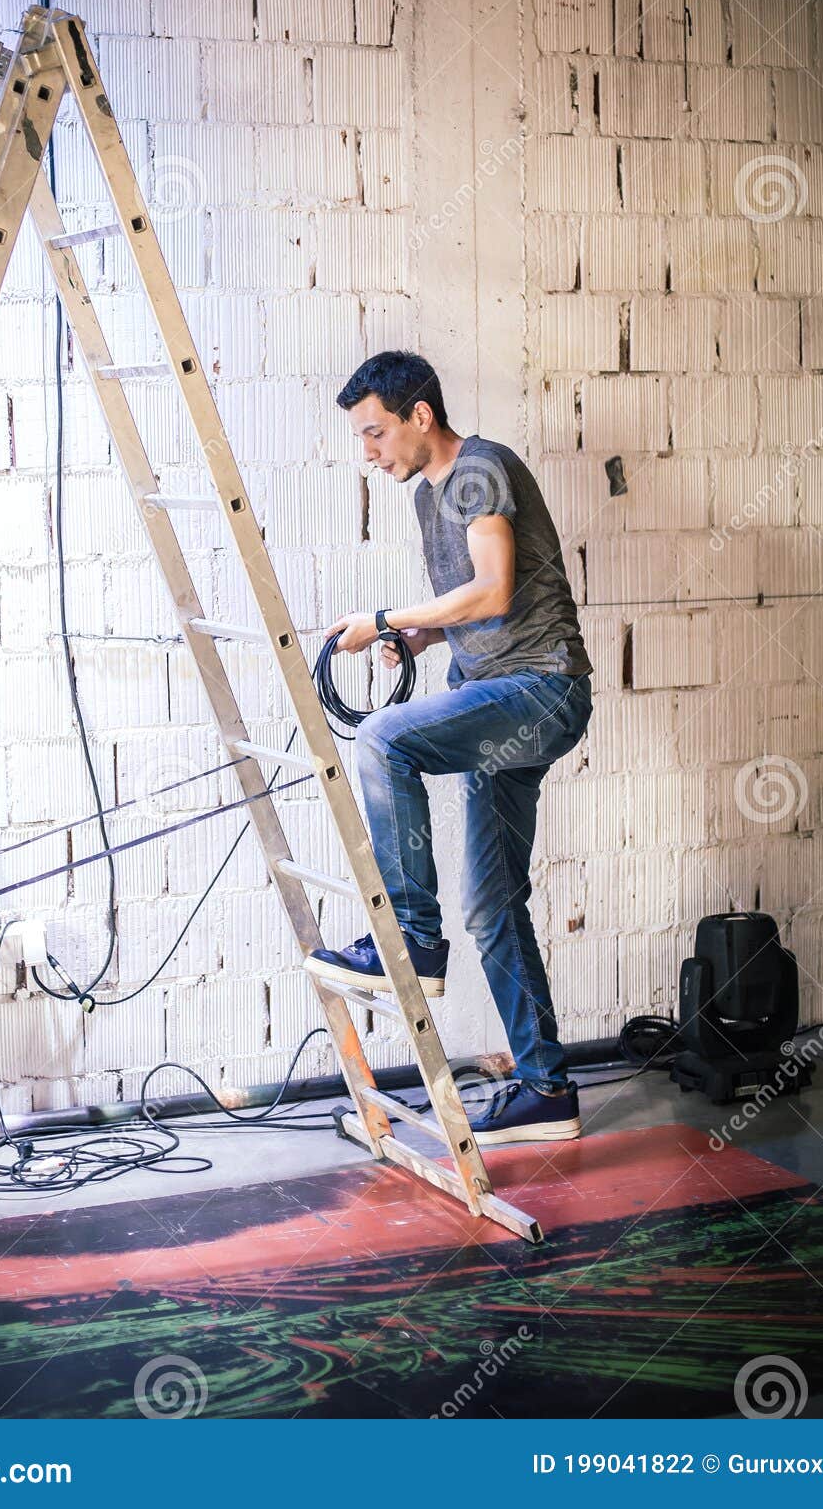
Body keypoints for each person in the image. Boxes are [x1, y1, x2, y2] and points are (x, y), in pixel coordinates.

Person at [305, 351, 592, 1145]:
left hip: (539, 692)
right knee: (495, 907)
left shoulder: (474, 470)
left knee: (384, 736)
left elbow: (494, 588)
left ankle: (409, 938)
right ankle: (547, 1091)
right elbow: (479, 607)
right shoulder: (435, 494)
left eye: (374, 432)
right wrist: (423, 636)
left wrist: (390, 619)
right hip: (502, 702)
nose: (367, 451)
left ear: (418, 417)